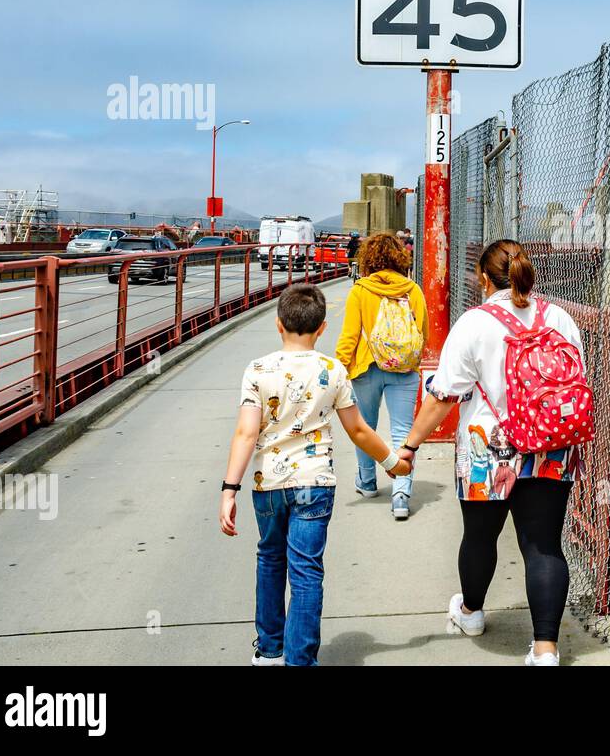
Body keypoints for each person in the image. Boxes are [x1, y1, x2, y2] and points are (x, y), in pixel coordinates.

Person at [399, 239, 584, 666]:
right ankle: (545, 650)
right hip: (552, 445)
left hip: (488, 449)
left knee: (480, 537)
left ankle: (471, 612)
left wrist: (409, 446)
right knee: (543, 546)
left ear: (483, 279)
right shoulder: (560, 318)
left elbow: (443, 396)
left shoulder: (474, 323)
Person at [219, 283, 411, 666]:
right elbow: (358, 430)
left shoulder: (257, 370)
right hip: (315, 484)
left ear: (278, 325)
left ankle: (270, 649)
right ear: (322, 328)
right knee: (306, 571)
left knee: (270, 559)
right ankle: (300, 660)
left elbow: (246, 432)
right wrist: (393, 463)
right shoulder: (333, 370)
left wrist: (229, 489)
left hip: (268, 486)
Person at [335, 232, 427, 519]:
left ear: (368, 260)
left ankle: (367, 481)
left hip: (366, 367)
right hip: (403, 368)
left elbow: (349, 337)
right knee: (403, 432)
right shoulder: (412, 289)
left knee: (365, 427)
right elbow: (422, 331)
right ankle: (401, 495)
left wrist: (337, 370)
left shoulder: (361, 290)